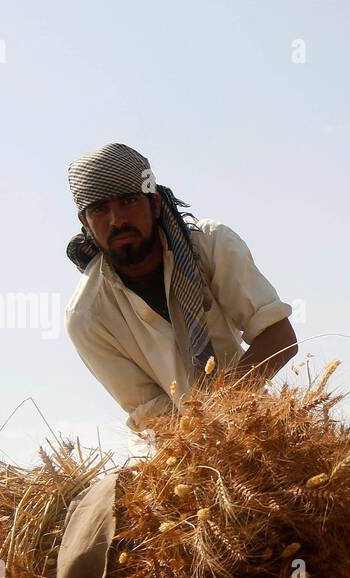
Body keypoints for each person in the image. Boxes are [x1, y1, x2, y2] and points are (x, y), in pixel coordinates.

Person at [64, 142, 298, 439]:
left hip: (255, 426)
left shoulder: (210, 245)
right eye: (99, 209)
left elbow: (279, 338)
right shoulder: (87, 315)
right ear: (85, 222)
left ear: (156, 202)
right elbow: (150, 411)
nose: (117, 219)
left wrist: (225, 413)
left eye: (129, 201)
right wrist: (206, 437)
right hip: (181, 453)